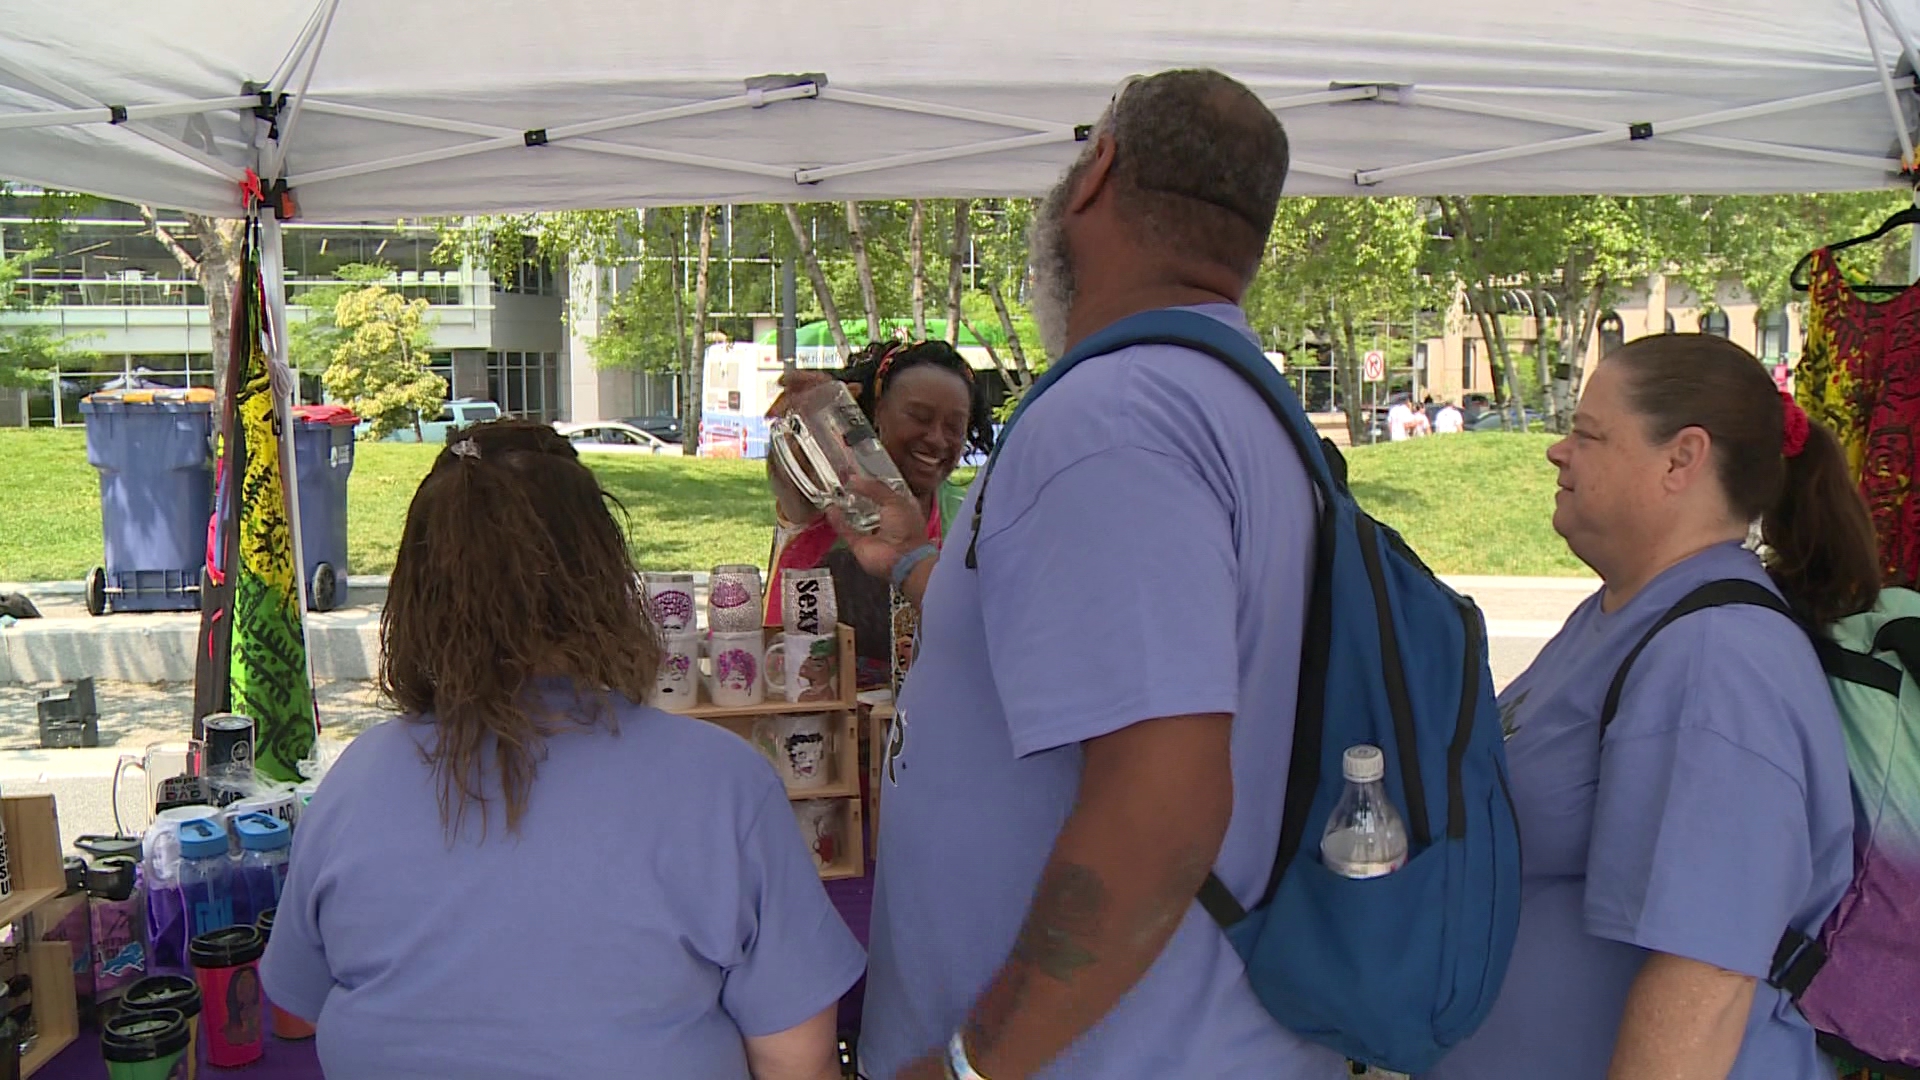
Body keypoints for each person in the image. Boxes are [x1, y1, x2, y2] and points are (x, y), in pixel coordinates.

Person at [827, 69, 1344, 1079]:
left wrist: (977, 1063)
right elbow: (1097, 645)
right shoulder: (1233, 398)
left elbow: (1165, 797)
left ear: (1098, 168)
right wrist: (918, 561)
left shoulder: (1114, 418)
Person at [261, 420, 862, 1080]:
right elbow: (798, 1065)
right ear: (603, 576)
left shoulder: (356, 782)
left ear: (417, 592)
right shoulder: (722, 785)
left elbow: (298, 1010)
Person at [1423, 334, 1876, 1080]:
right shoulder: (1622, 613)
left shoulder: (1716, 659)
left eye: (1589, 434)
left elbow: (1706, 977)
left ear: (1681, 459)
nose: (1556, 453)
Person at [765, 339, 995, 690]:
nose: (936, 439)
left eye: (954, 427)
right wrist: (816, 413)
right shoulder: (834, 490)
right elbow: (788, 476)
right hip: (809, 720)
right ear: (875, 412)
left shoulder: (970, 518)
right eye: (919, 417)